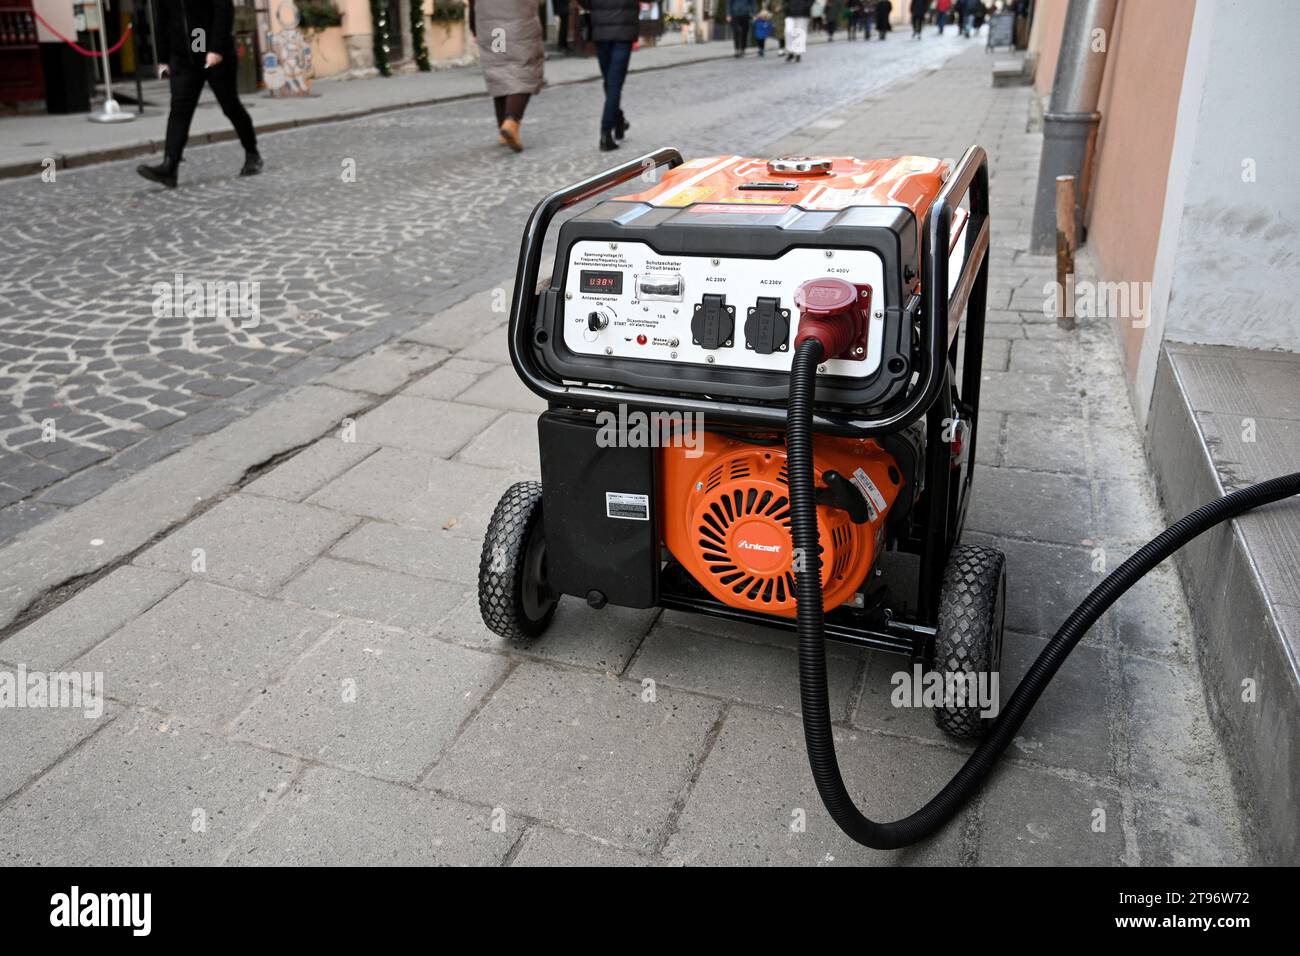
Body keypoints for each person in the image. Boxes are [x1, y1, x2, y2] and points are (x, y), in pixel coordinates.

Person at [136, 0, 260, 189]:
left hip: (213, 53)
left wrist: (216, 48)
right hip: (184, 57)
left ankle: (252, 154)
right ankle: (170, 166)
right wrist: (163, 59)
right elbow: (161, 19)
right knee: (179, 109)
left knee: (230, 105)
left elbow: (223, 9)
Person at [469, 0, 544, 152]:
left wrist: (474, 25)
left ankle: (503, 130)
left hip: (492, 29)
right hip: (519, 26)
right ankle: (511, 122)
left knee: (499, 73)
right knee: (524, 73)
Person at [577, 0, 637, 151]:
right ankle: (605, 134)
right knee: (613, 84)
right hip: (622, 33)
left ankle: (618, 122)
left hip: (602, 32)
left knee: (610, 82)